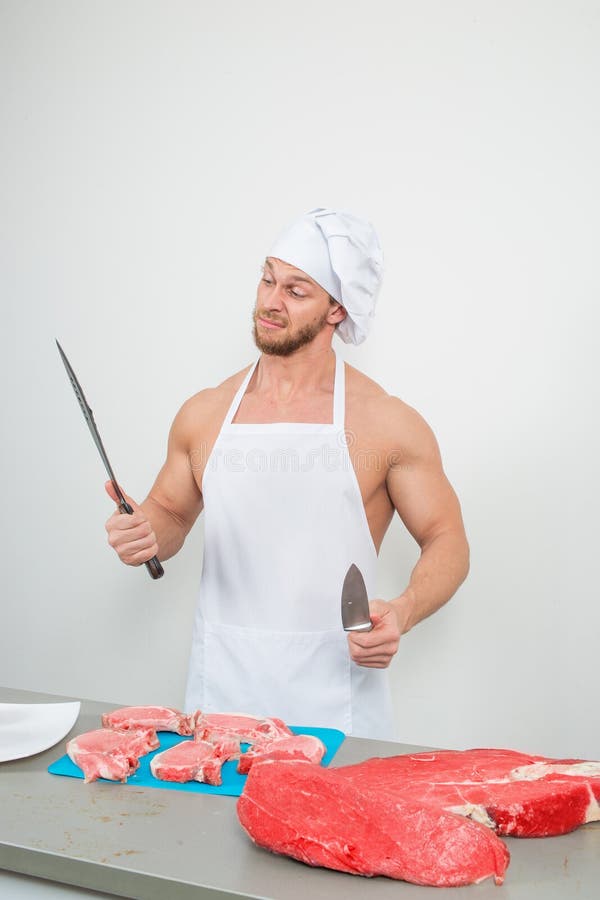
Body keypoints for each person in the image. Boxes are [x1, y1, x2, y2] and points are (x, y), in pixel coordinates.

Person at [104, 207, 469, 740]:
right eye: (268, 279)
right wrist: (144, 532)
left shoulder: (386, 422)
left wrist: (405, 609)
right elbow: (172, 512)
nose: (270, 302)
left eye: (297, 291)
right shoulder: (205, 412)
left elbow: (448, 538)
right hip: (222, 694)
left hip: (338, 703)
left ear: (337, 309)